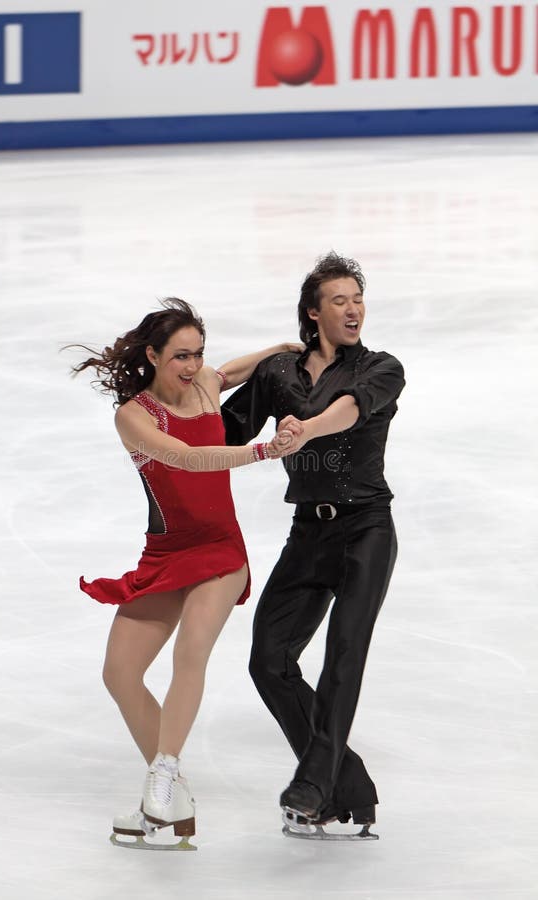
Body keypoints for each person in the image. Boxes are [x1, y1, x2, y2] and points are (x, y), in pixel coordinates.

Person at [70, 298, 298, 849]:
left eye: (197, 355)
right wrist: (263, 450)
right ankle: (173, 794)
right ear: (152, 355)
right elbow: (191, 458)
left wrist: (280, 350)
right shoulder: (135, 415)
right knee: (119, 672)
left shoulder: (204, 386)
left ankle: (164, 777)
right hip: (168, 552)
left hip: (221, 551)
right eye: (179, 357)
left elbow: (233, 371)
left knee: (189, 653)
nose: (192, 367)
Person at [221, 252, 405, 838]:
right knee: (269, 658)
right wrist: (179, 396)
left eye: (358, 298)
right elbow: (223, 431)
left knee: (343, 653)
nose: (353, 309)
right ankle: (345, 782)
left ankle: (312, 784)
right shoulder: (279, 374)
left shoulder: (381, 368)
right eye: (339, 300)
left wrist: (302, 428)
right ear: (313, 312)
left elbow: (350, 413)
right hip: (308, 531)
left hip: (366, 529)